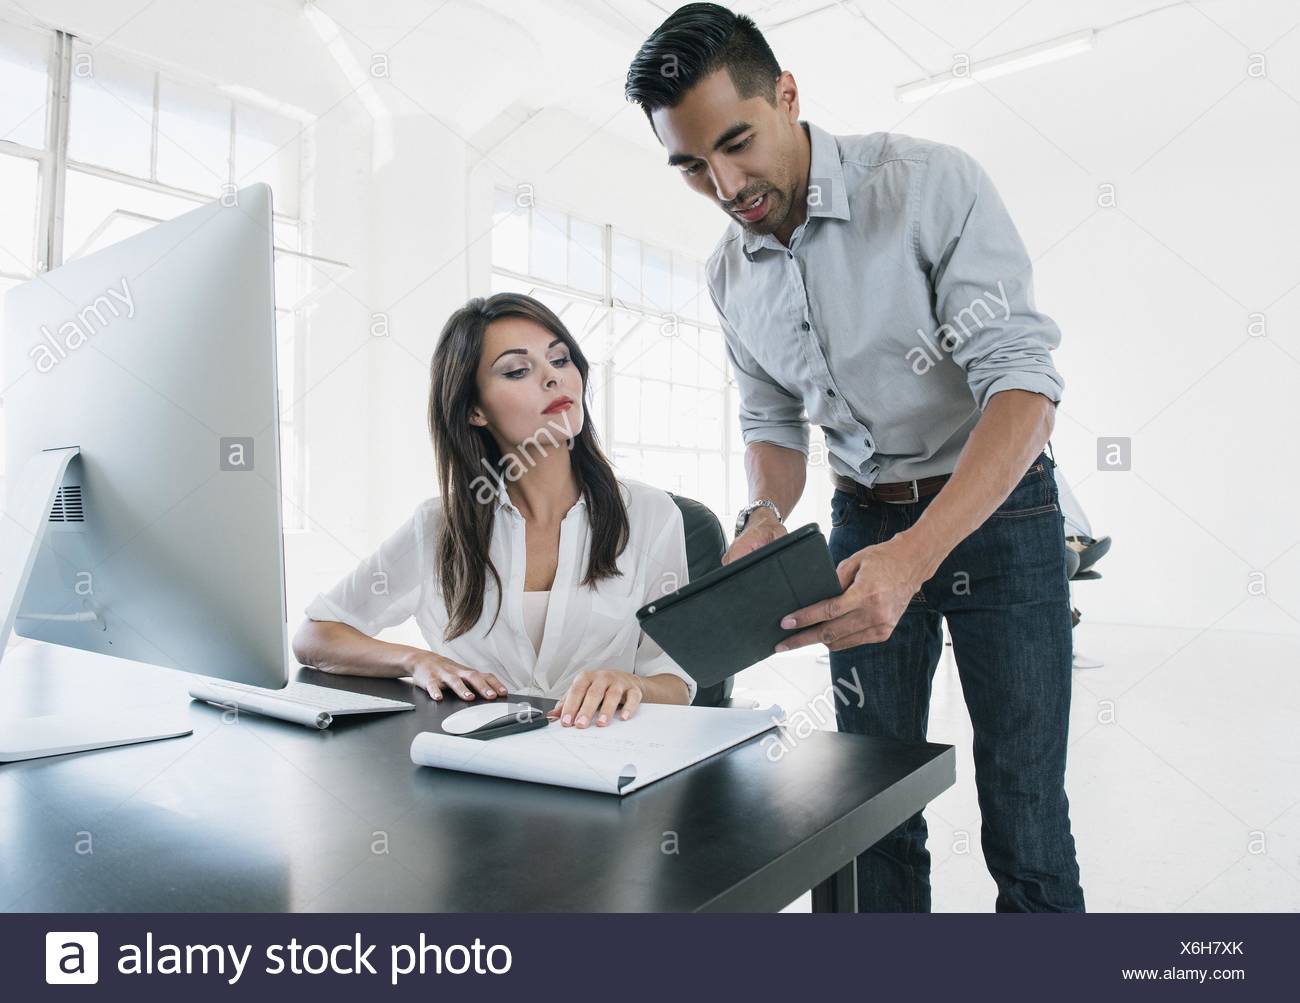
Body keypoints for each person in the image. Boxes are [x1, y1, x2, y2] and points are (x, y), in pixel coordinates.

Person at [626, 3, 1083, 911]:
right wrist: (762, 515)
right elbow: (773, 424)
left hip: (1001, 510)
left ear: (787, 95)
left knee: (1024, 814)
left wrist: (916, 557)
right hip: (861, 511)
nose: (723, 183)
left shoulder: (926, 184)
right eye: (689, 165)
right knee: (869, 807)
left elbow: (1024, 393)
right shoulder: (729, 272)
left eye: (736, 142)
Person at [292, 293, 696, 728]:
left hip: (607, 761)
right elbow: (316, 636)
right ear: (475, 411)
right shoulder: (438, 528)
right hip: (481, 762)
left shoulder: (652, 515)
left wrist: (633, 684)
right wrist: (414, 660)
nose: (552, 379)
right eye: (518, 370)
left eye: (560, 361)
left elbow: (677, 677)